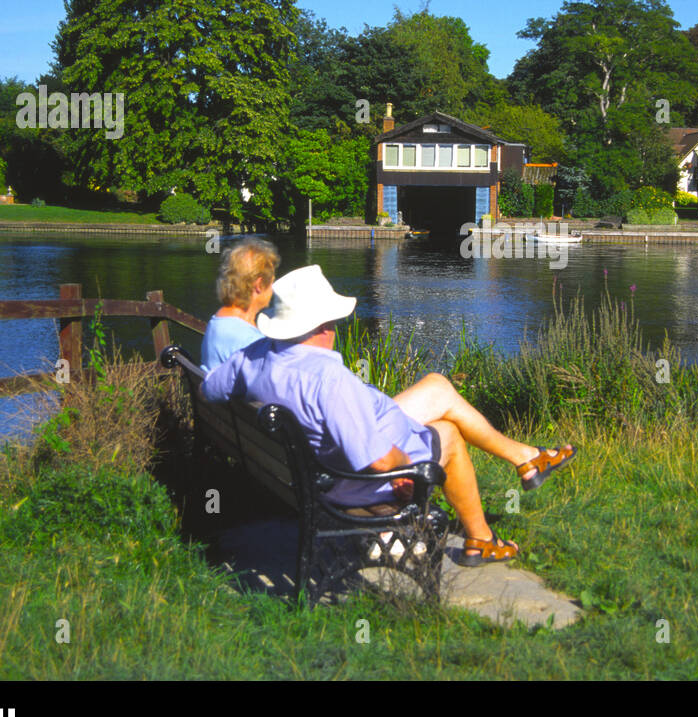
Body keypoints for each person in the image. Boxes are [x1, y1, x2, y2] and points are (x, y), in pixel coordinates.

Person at [201, 264, 576, 566]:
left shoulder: (254, 358)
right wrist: (402, 467)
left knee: (436, 386)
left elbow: (209, 387)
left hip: (320, 454)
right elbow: (379, 459)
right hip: (346, 479)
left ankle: (525, 459)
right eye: (332, 320)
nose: (335, 327)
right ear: (322, 326)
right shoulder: (328, 378)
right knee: (446, 433)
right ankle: (481, 539)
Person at [200, 237, 279, 372]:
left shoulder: (219, 320)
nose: (273, 289)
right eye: (272, 282)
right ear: (259, 285)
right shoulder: (250, 342)